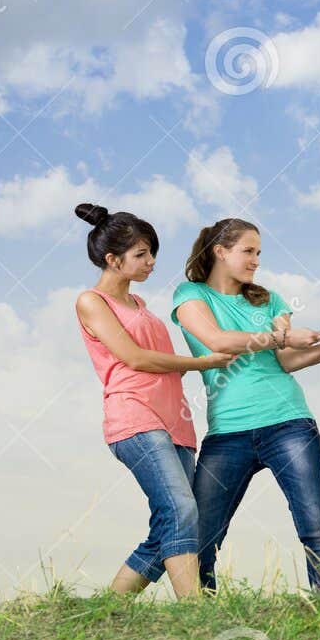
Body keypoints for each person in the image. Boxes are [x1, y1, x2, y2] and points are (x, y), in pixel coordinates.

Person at [171, 217, 320, 593]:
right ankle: (202, 613)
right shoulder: (190, 295)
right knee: (201, 535)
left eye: (259, 253)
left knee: (314, 523)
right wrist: (281, 336)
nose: (255, 261)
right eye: (248, 251)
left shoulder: (270, 300)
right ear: (220, 251)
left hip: (288, 422)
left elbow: (289, 360)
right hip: (227, 432)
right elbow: (217, 340)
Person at [72, 203, 238, 598]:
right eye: (141, 255)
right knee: (180, 511)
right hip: (135, 417)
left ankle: (110, 608)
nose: (151, 263)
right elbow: (136, 358)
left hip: (174, 420)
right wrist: (200, 362)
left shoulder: (140, 306)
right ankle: (194, 610)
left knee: (175, 522)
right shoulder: (91, 302)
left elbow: (162, 364)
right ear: (112, 260)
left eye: (152, 254)